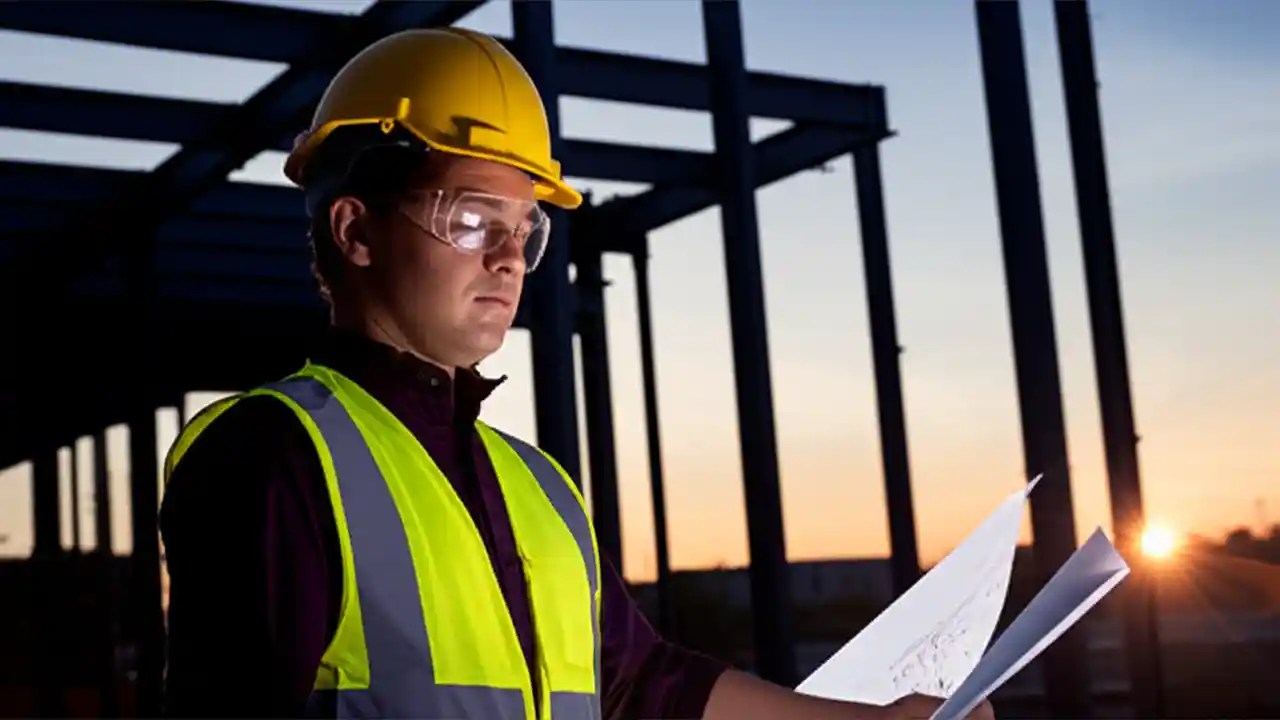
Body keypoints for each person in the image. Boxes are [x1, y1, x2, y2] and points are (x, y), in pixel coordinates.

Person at [158, 27, 994, 720]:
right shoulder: (272, 454)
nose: (508, 257)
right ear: (355, 231)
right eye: (472, 217)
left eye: (526, 229)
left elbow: (641, 683)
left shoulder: (539, 488)